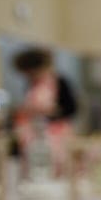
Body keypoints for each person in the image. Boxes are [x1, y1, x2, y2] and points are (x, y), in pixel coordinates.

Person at [13, 47, 78, 175]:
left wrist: (50, 112)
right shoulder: (30, 85)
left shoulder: (60, 82)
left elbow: (72, 108)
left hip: (57, 136)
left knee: (58, 167)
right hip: (34, 135)